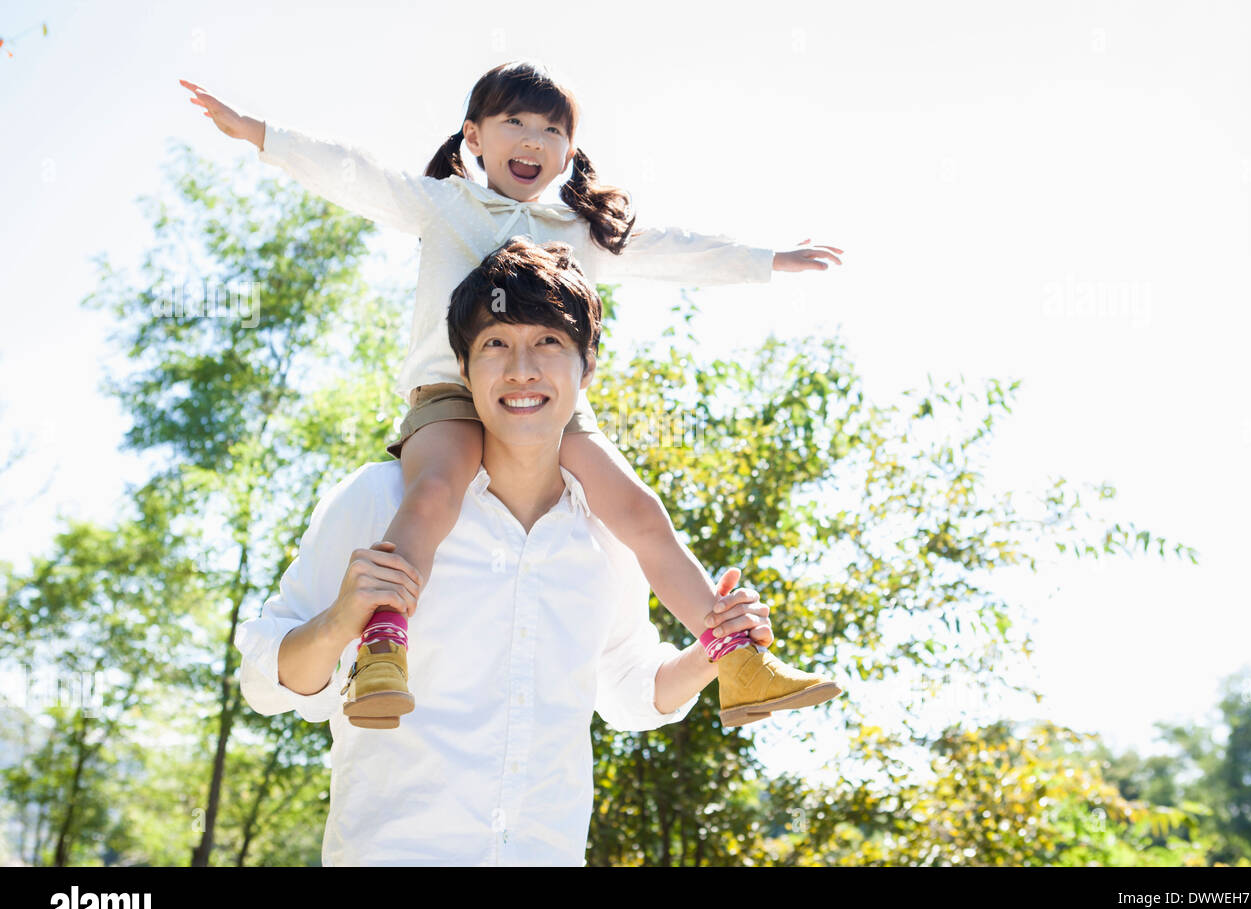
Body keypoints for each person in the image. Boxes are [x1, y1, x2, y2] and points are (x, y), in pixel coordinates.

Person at [184, 59, 845, 727]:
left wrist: (768, 260)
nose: (533, 140)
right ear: (474, 136)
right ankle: (383, 645)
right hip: (450, 392)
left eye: (552, 129)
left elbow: (673, 250)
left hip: (552, 409)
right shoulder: (444, 205)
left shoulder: (578, 234)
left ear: (568, 153)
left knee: (637, 509)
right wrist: (259, 134)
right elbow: (356, 173)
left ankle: (737, 656)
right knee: (435, 492)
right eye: (515, 122)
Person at [235, 237, 835, 865]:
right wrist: (338, 624)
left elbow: (630, 688)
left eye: (548, 341)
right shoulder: (380, 500)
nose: (522, 368)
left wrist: (714, 649)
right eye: (496, 344)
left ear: (587, 367)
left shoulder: (608, 532)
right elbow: (266, 683)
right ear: (463, 373)